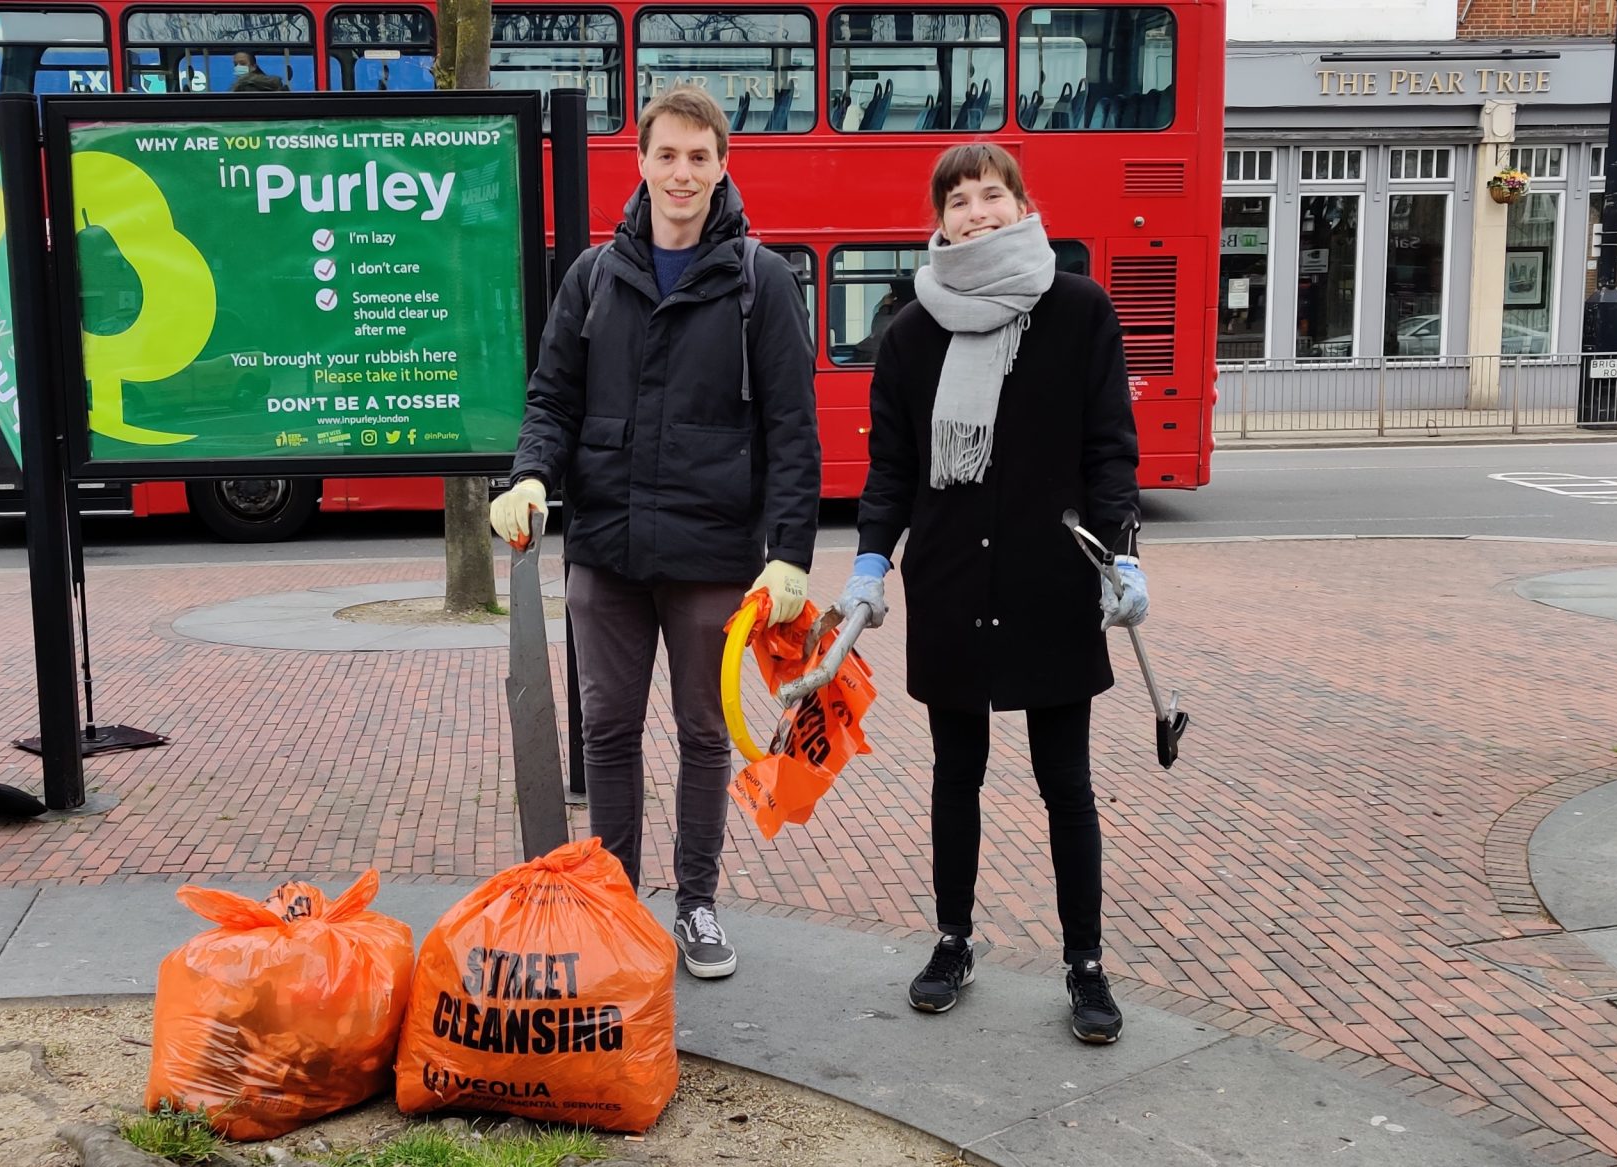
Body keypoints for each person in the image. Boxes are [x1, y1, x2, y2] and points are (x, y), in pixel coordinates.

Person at [490, 87, 819, 981]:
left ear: (722, 166)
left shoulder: (761, 280)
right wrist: (527, 476)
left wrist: (789, 550)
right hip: (609, 546)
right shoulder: (595, 277)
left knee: (706, 729)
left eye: (698, 158)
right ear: (639, 162)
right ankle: (616, 901)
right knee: (607, 730)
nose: (681, 173)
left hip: (714, 554)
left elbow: (793, 423)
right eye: (666, 155)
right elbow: (552, 398)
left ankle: (698, 902)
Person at [836, 143, 1146, 1044]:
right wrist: (869, 559)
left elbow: (1109, 451)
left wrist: (1123, 554)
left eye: (991, 195)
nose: (976, 211)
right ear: (940, 217)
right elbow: (890, 470)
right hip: (951, 580)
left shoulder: (1080, 311)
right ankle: (952, 940)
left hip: (1053, 580)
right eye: (960, 199)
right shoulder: (908, 332)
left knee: (1067, 784)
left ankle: (1086, 964)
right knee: (954, 776)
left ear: (1021, 205)